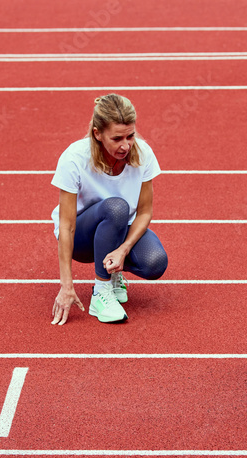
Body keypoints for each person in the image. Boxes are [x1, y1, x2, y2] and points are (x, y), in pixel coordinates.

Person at [50, 93, 168, 325]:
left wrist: (123, 250)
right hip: (82, 240)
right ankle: (101, 293)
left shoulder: (143, 153)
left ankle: (114, 275)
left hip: (118, 229)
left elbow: (144, 212)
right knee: (116, 208)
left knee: (155, 263)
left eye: (130, 136)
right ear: (97, 134)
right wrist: (67, 286)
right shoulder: (74, 158)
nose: (126, 145)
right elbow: (67, 225)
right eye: (116, 138)